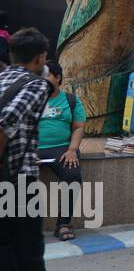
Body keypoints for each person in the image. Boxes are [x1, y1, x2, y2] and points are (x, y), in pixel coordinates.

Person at [0, 28, 81, 271]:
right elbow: (6, 121)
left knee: (5, 244)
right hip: (17, 184)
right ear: (40, 58)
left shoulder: (2, 78)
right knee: (30, 250)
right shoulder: (35, 85)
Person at [33, 61, 86, 241]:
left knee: (72, 177)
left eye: (47, 76)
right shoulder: (30, 99)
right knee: (20, 179)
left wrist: (72, 149)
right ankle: (25, 227)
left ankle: (63, 224)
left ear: (57, 78)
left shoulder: (70, 100)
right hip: (33, 149)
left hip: (62, 149)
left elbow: (78, 127)